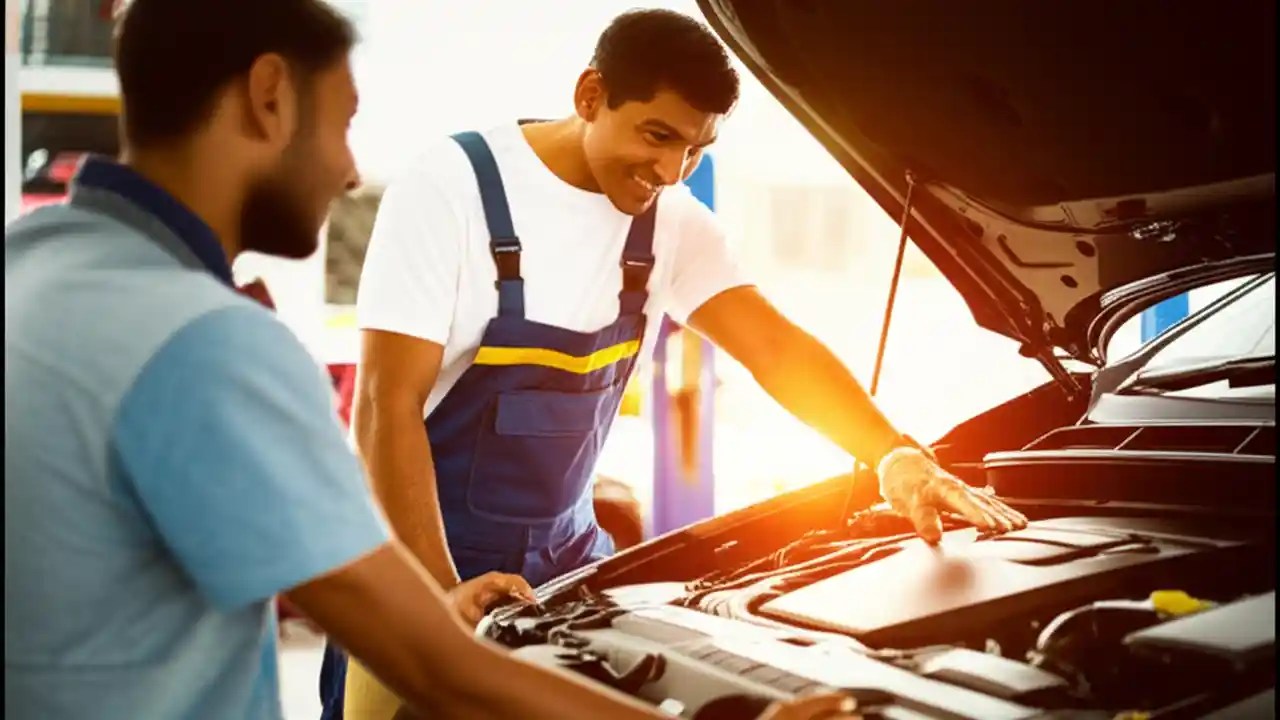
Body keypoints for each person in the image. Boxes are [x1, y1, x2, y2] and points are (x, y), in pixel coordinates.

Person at [2, 3, 854, 720]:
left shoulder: (30, 264)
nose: (345, 172)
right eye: (342, 124)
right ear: (269, 99)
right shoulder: (210, 346)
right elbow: (431, 658)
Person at [324, 7, 1029, 719]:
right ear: (591, 95)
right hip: (417, 568)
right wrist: (442, 591)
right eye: (658, 136)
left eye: (695, 149)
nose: (669, 170)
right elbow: (386, 406)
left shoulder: (671, 223)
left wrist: (894, 454)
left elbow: (776, 349)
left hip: (567, 573)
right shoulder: (455, 189)